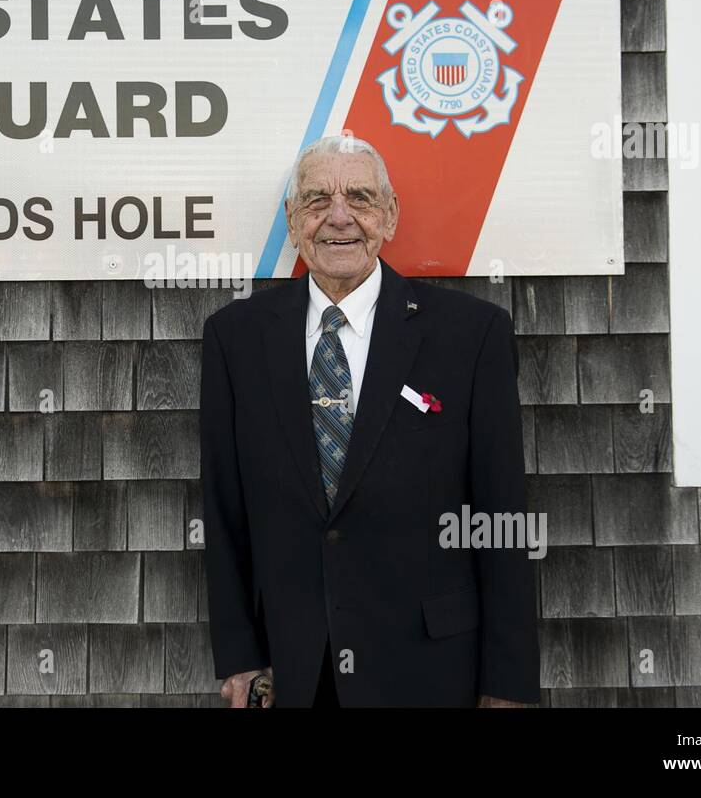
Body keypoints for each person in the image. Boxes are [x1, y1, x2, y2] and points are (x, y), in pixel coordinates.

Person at [200, 134, 540, 707]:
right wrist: (239, 655)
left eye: (359, 197)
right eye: (316, 201)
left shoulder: (471, 335)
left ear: (389, 215)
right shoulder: (236, 338)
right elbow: (224, 509)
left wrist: (506, 685)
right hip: (296, 671)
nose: (339, 218)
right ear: (292, 219)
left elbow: (501, 517)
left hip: (434, 669)